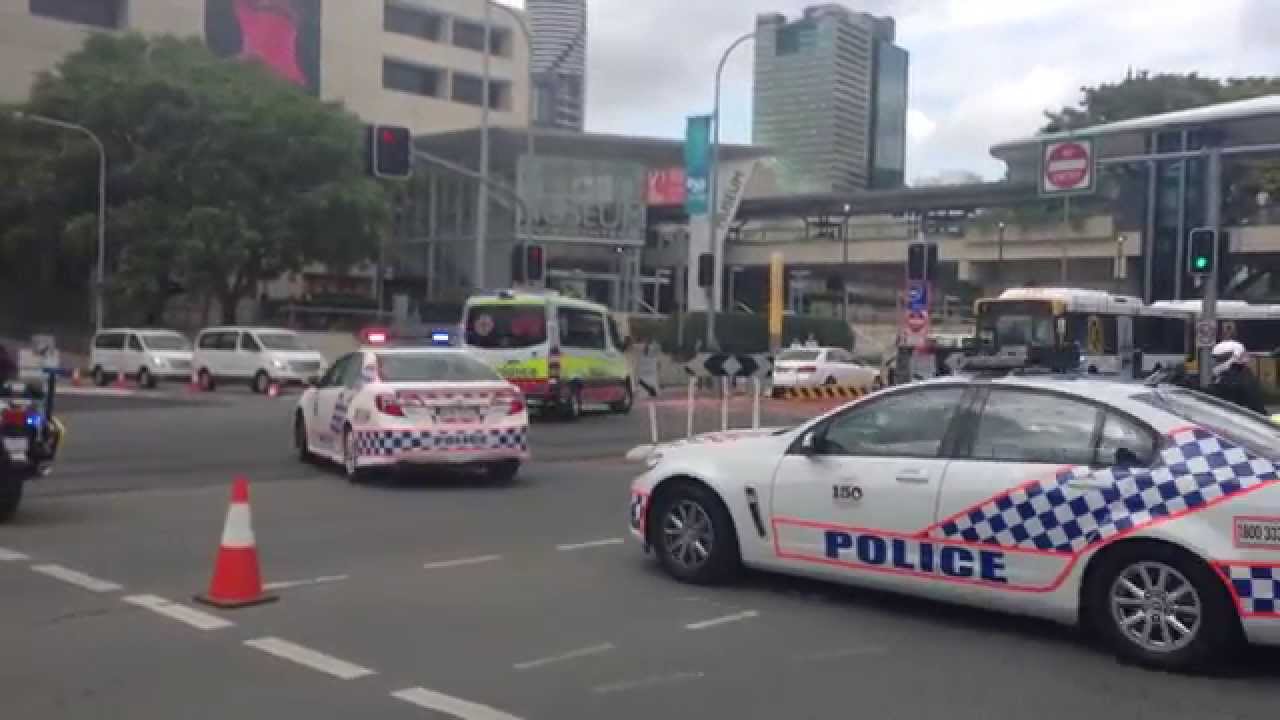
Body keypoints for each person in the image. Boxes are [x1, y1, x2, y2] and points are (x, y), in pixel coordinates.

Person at [1208, 340, 1268, 415]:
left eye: (1220, 358)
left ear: (1235, 356)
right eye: (1216, 359)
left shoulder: (1237, 378)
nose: (1217, 362)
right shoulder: (1225, 375)